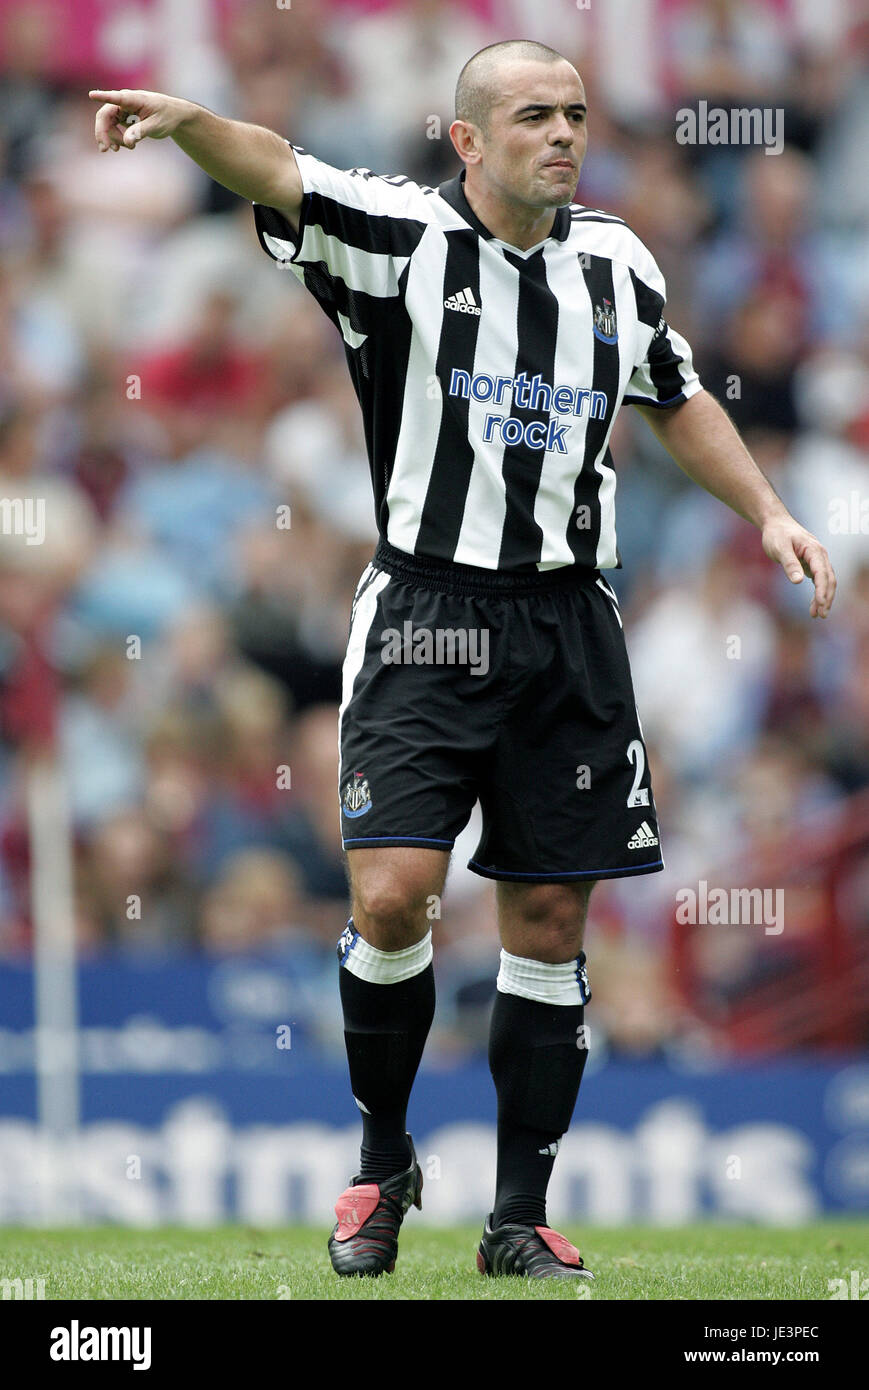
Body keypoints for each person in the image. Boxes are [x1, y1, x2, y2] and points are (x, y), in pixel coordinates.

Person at [89, 38, 837, 1282]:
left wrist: (762, 508)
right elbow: (277, 169)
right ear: (467, 139)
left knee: (547, 919)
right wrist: (186, 121)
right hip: (425, 617)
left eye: (576, 114)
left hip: (566, 625)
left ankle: (517, 1213)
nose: (563, 133)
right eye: (533, 115)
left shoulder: (615, 261)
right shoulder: (398, 238)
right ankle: (381, 1164)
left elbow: (673, 390)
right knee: (390, 898)